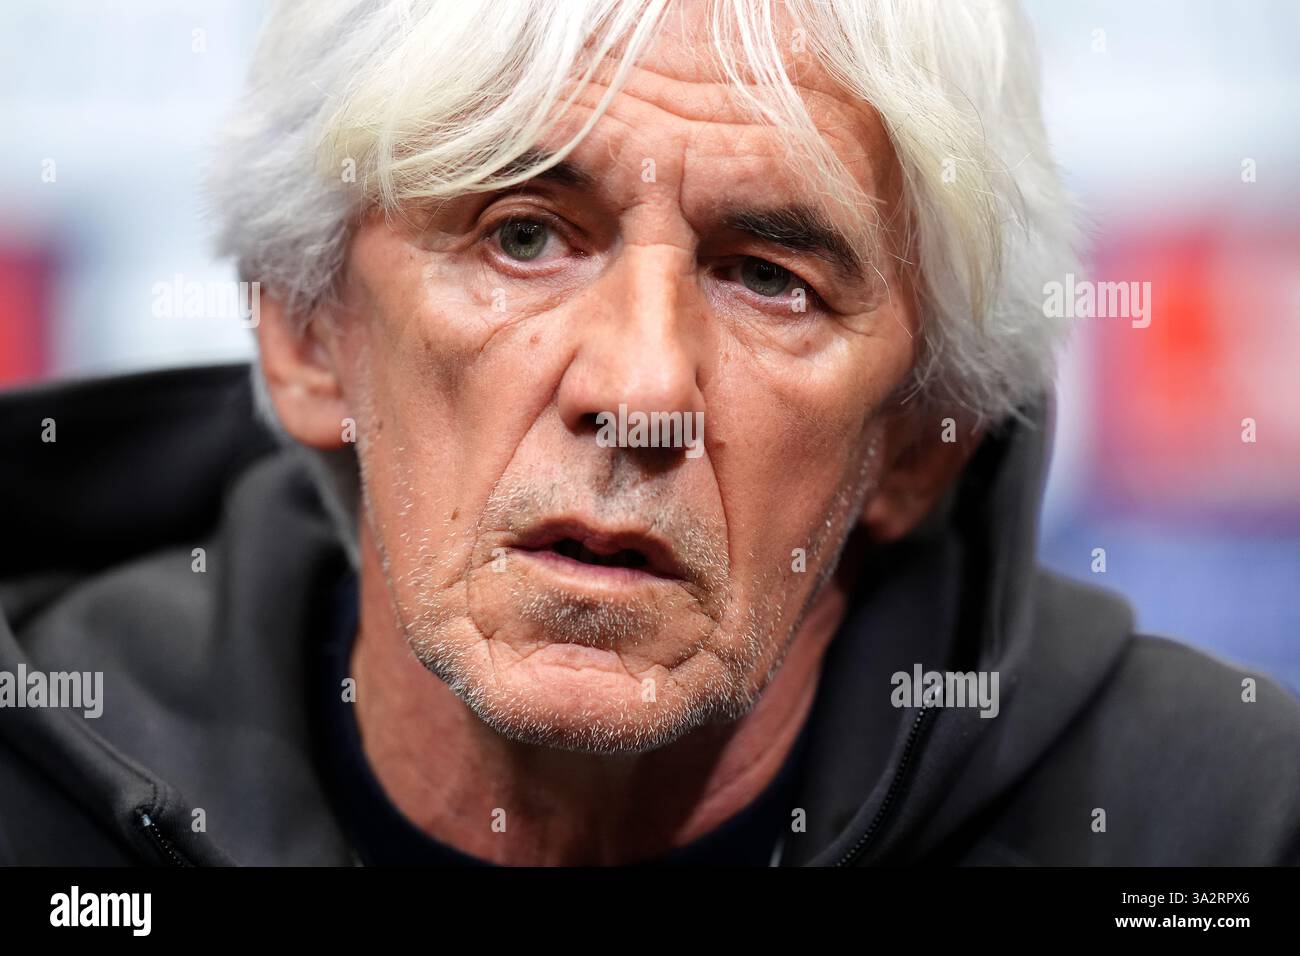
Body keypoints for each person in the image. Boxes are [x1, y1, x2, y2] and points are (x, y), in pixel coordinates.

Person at [1, 0, 1297, 866]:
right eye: (522, 237)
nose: (640, 387)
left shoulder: (1220, 835)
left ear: (919, 443)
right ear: (304, 334)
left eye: (769, 276)